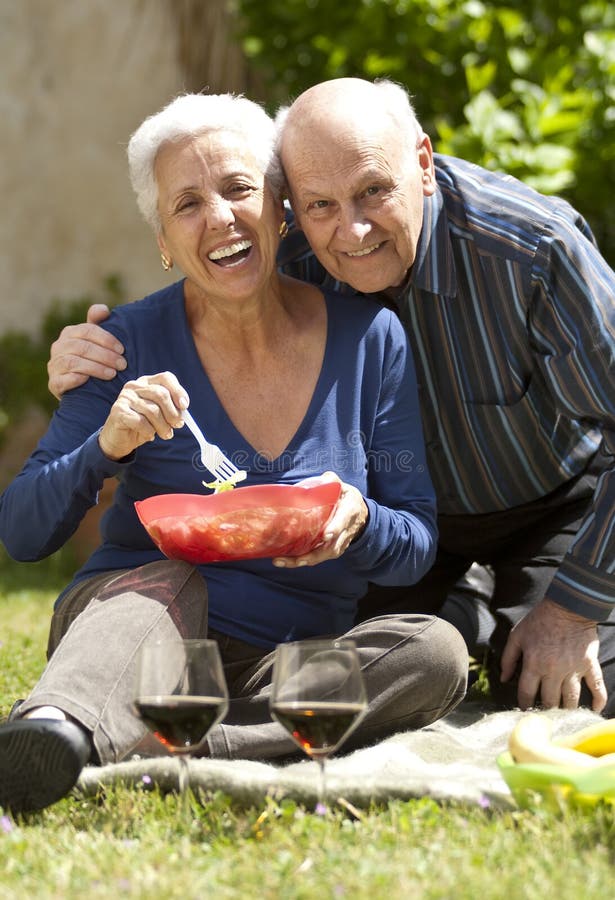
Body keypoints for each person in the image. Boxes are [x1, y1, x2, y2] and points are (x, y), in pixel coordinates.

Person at [49, 77, 615, 717]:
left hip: (547, 508)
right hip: (388, 524)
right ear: (291, 206)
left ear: (423, 163)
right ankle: (470, 612)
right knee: (356, 667)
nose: (353, 228)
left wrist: (572, 611)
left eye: (373, 190)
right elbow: (194, 297)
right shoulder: (279, 252)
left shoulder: (533, 253)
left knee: (563, 695)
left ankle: (493, 609)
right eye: (319, 204)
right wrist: (94, 355)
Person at [0, 92, 468, 815]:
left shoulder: (369, 338)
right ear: (163, 239)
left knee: (435, 653)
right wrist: (106, 445)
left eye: (238, 188)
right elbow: (22, 532)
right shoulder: (122, 344)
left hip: (282, 664)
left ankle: (150, 746)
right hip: (133, 634)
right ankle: (59, 721)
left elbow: (414, 543)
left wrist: (361, 520)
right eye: (187, 204)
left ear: (278, 206)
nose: (218, 216)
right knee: (173, 581)